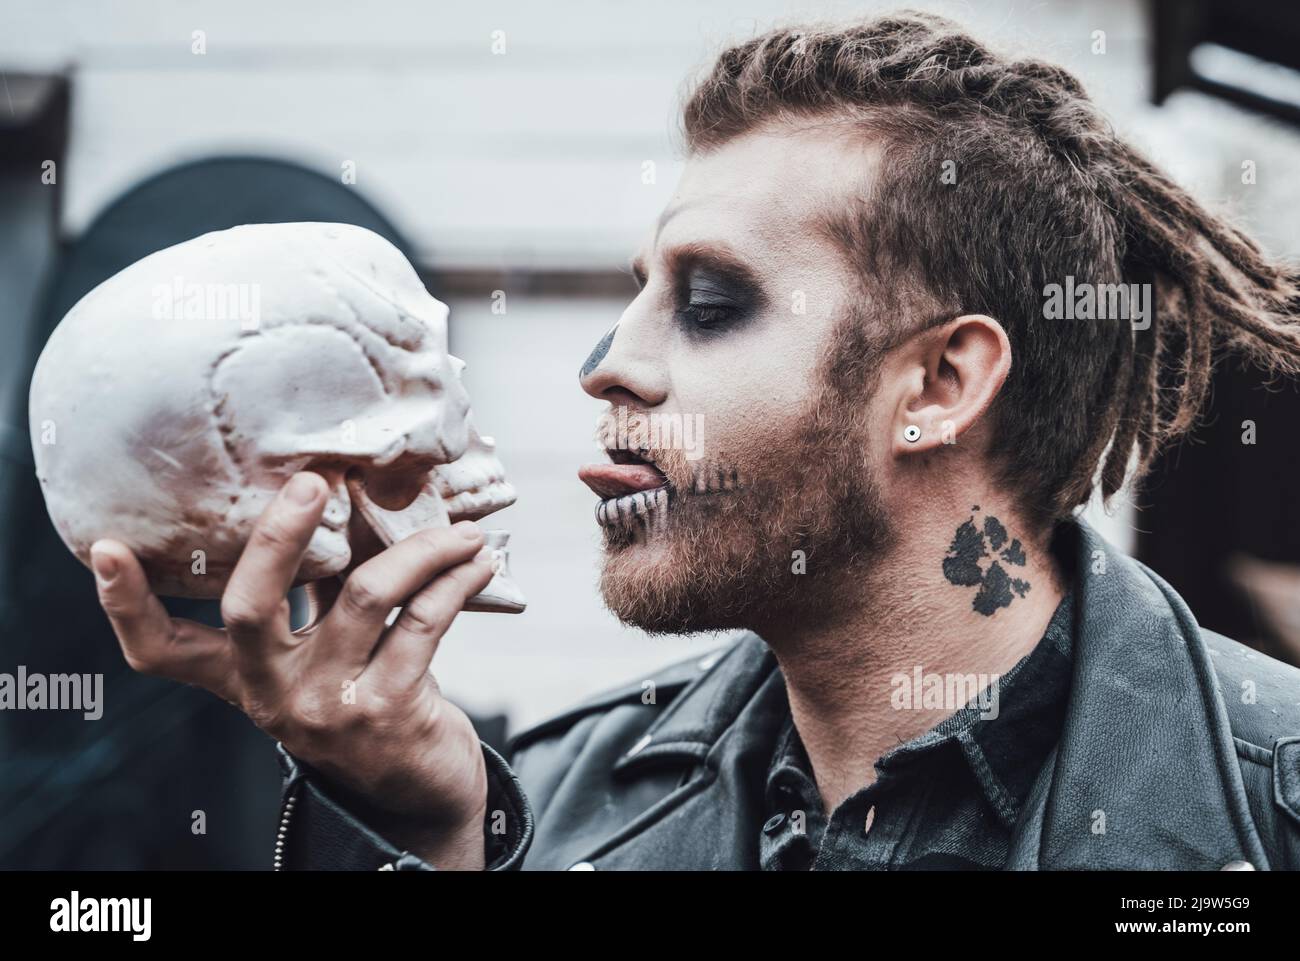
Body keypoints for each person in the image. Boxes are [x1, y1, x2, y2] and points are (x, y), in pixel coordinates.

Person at [90, 12, 1300, 870]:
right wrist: (434, 833)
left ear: (938, 383)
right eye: (635, 293)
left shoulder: (1270, 802)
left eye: (710, 302)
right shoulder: (540, 802)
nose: (608, 364)